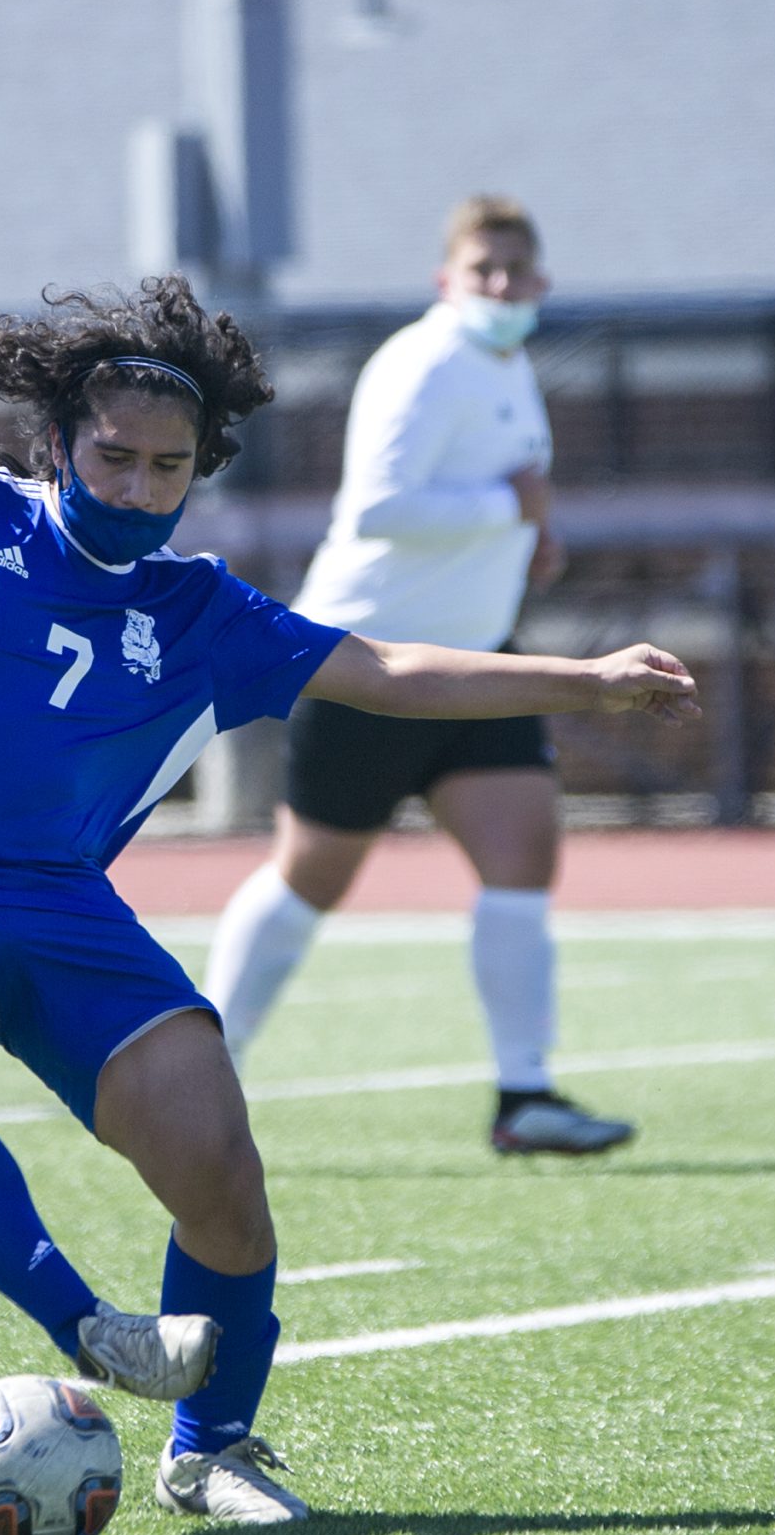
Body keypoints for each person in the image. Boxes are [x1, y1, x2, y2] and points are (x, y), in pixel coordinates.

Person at [0, 275, 695, 1524]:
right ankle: (88, 1324)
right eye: (113, 456)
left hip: (66, 915)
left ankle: (210, 1453)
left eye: (170, 467)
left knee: (216, 1162)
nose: (139, 488)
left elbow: (384, 668)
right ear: (58, 441)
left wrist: (582, 680)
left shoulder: (201, 613)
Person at [201, 196, 630, 1157]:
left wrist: (534, 533)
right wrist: (507, 507)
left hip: (481, 660)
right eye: (485, 271)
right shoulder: (422, 361)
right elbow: (382, 508)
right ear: (448, 280)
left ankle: (524, 1099)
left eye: (519, 272)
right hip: (374, 663)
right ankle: (198, 1069)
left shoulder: (508, 363)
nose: (504, 288)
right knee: (311, 879)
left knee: (524, 859)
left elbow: (506, 496)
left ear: (544, 283)